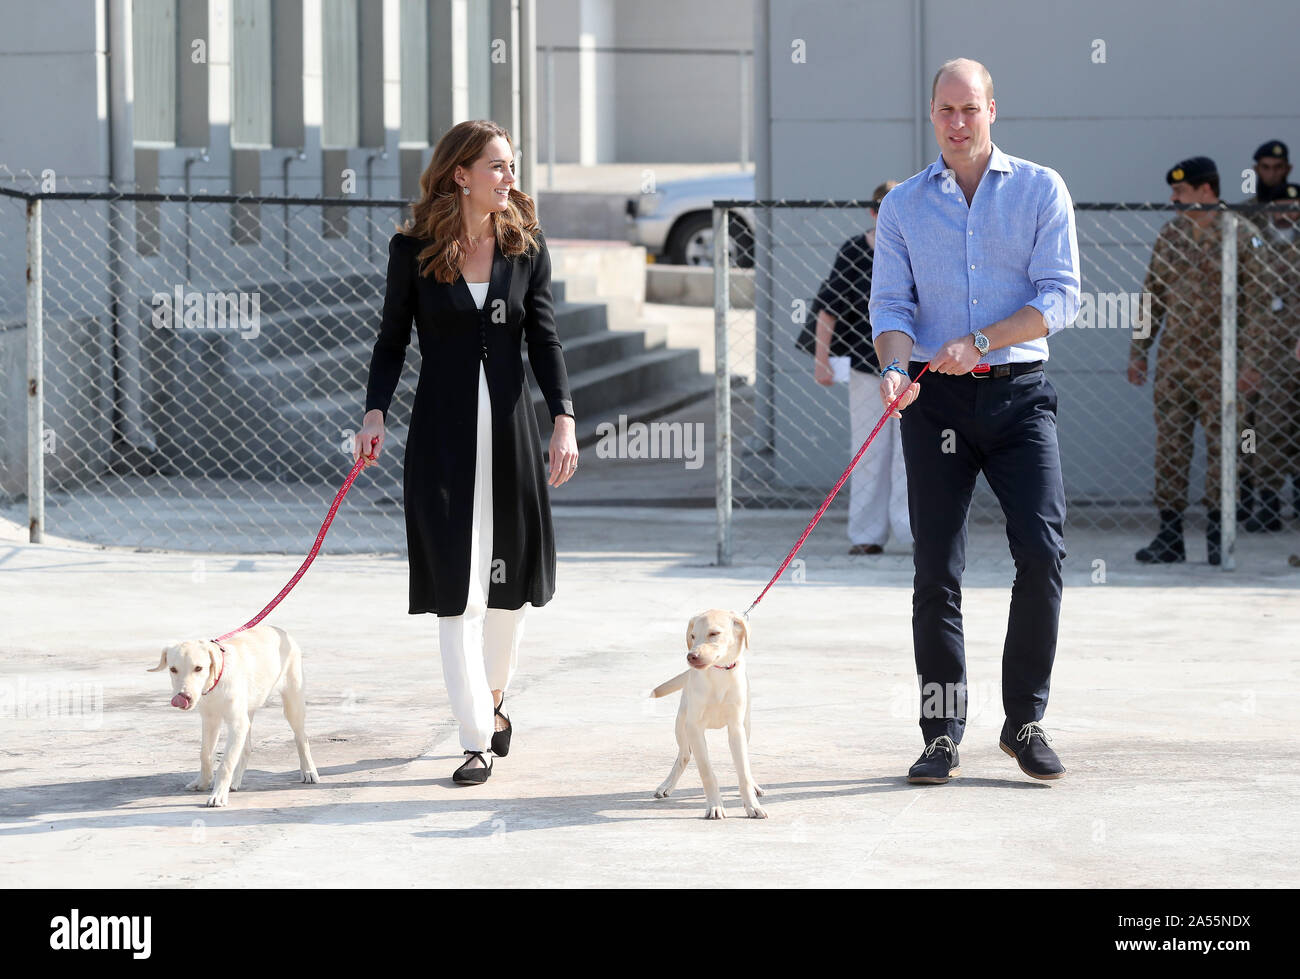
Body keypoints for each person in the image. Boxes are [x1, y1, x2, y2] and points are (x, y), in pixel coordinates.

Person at [869, 58, 1079, 784]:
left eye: (970, 109)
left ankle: (1024, 721)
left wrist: (983, 339)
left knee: (1043, 554)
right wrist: (895, 369)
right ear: (931, 116)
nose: (958, 123)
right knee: (936, 569)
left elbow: (1061, 296)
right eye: (945, 111)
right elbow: (891, 310)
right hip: (935, 406)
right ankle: (942, 732)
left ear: (994, 109)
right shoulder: (901, 207)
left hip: (1020, 395)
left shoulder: (1040, 190)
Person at [355, 120, 578, 785]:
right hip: (442, 438)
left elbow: (546, 341)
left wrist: (563, 419)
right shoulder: (413, 249)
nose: (510, 177)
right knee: (457, 589)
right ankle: (476, 736)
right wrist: (374, 411)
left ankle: (495, 695)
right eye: (498, 166)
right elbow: (391, 341)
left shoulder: (524, 248)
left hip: (510, 434)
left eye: (511, 166)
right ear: (462, 174)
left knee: (505, 589)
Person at [1128, 156, 1275, 563]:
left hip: (1224, 368)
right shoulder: (1172, 236)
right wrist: (1139, 352)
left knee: (1225, 450)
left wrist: (1252, 363)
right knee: (1170, 448)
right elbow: (1151, 300)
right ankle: (1170, 535)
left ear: (1206, 191)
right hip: (1176, 366)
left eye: (1181, 192)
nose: (1174, 200)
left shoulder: (1241, 236)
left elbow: (1263, 305)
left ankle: (1217, 535)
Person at [809, 180, 911, 555]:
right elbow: (828, 309)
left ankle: (914, 532)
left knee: (912, 452)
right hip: (868, 368)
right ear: (872, 214)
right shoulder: (853, 251)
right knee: (868, 452)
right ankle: (866, 535)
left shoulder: (919, 244)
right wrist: (822, 361)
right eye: (884, 210)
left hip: (915, 368)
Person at [1246, 181, 1300, 531]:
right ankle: (1265, 502)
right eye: (1279, 207)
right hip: (1269, 350)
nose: (1286, 214)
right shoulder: (1256, 244)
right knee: (1268, 425)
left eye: (1293, 208)